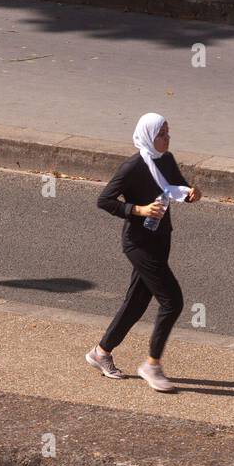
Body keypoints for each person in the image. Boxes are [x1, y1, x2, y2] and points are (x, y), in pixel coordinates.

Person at [87, 112, 201, 391]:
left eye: (168, 132)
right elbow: (104, 200)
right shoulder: (133, 167)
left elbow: (176, 186)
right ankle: (152, 365)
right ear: (149, 137)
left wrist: (191, 193)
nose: (167, 138)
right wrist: (137, 209)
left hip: (161, 238)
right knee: (172, 301)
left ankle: (101, 353)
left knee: (137, 302)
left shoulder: (167, 160)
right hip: (138, 242)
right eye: (162, 134)